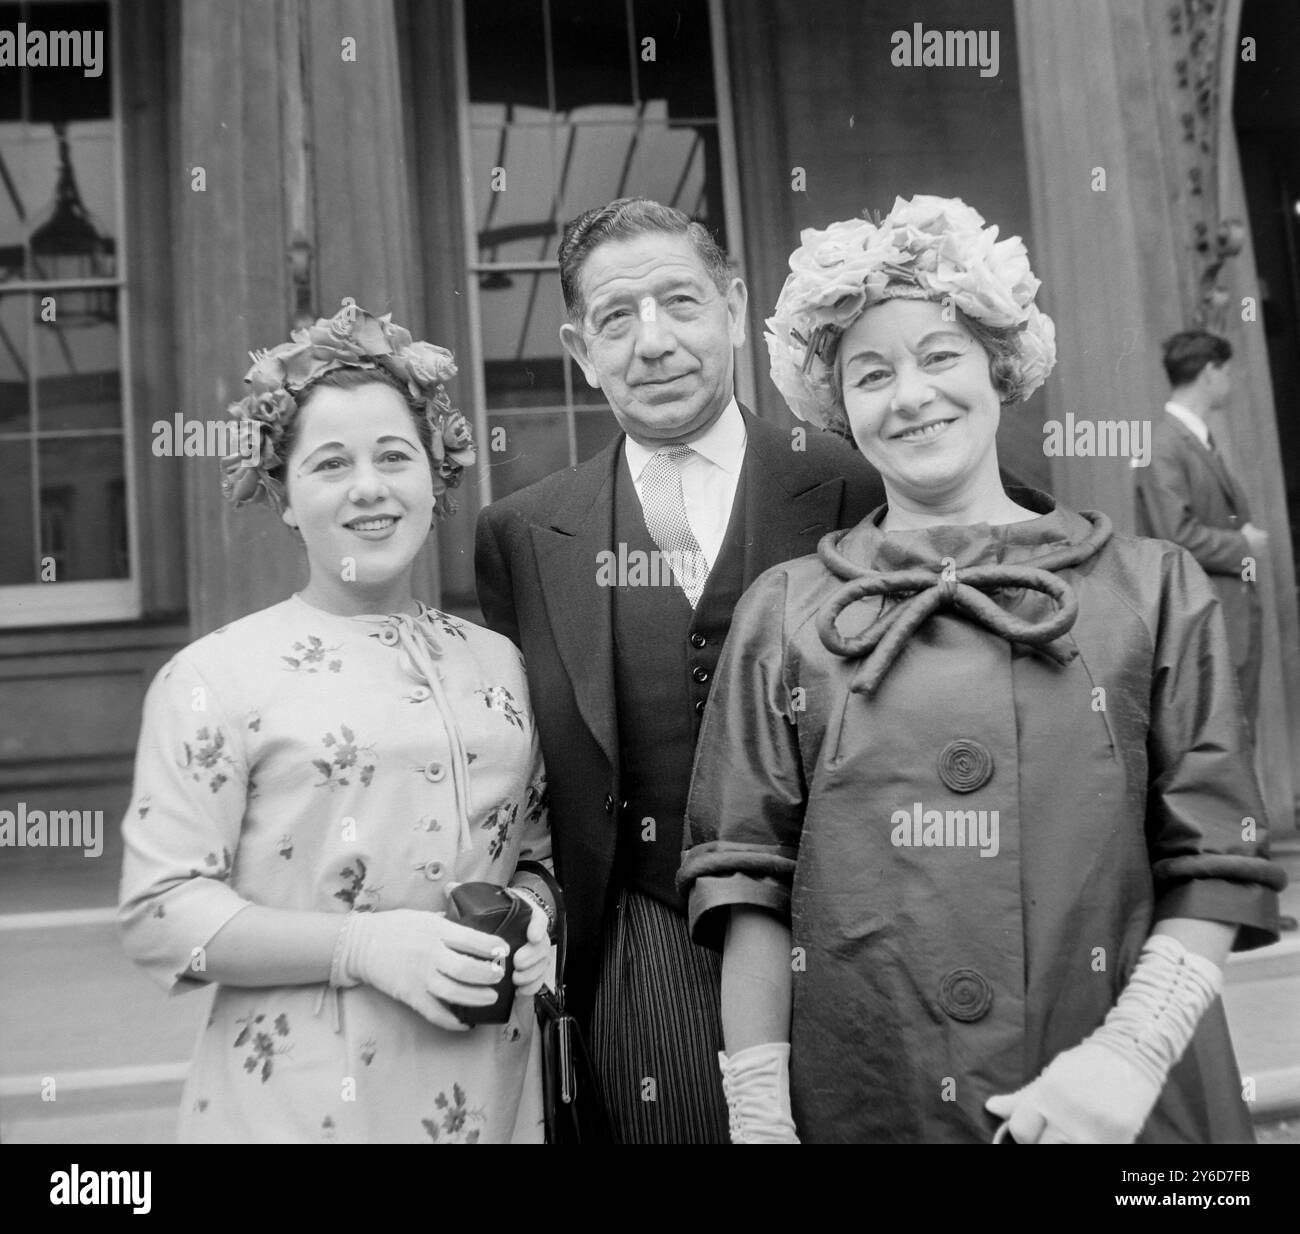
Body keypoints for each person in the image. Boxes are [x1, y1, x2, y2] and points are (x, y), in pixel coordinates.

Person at [679, 195, 1286, 1144]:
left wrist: (1126, 1059)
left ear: (1002, 367)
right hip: (877, 1098)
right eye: (871, 373)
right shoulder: (785, 611)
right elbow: (746, 886)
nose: (910, 394)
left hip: (1134, 1111)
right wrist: (758, 1119)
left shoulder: (1152, 586)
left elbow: (1216, 857)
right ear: (837, 407)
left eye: (940, 356)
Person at [474, 198, 886, 1143]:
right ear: (582, 351)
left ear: (734, 309)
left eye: (680, 303)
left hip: (856, 929)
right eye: (617, 319)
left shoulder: (860, 484)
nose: (652, 342)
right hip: (644, 947)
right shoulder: (524, 535)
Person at [119, 302, 558, 1143]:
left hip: (496, 1094)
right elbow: (161, 914)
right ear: (285, 498)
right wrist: (360, 947)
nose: (369, 486)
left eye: (395, 456)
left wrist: (538, 915)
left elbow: (538, 852)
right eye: (331, 464)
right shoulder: (214, 677)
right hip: (300, 1101)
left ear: (438, 475)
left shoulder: (499, 661)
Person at [1135, 329, 1265, 740]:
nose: (1229, 380)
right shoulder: (1163, 443)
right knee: (1219, 745)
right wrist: (1244, 545)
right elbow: (1175, 535)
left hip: (1229, 615)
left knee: (1236, 740)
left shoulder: (1195, 439)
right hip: (1207, 621)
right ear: (1210, 372)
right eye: (1225, 371)